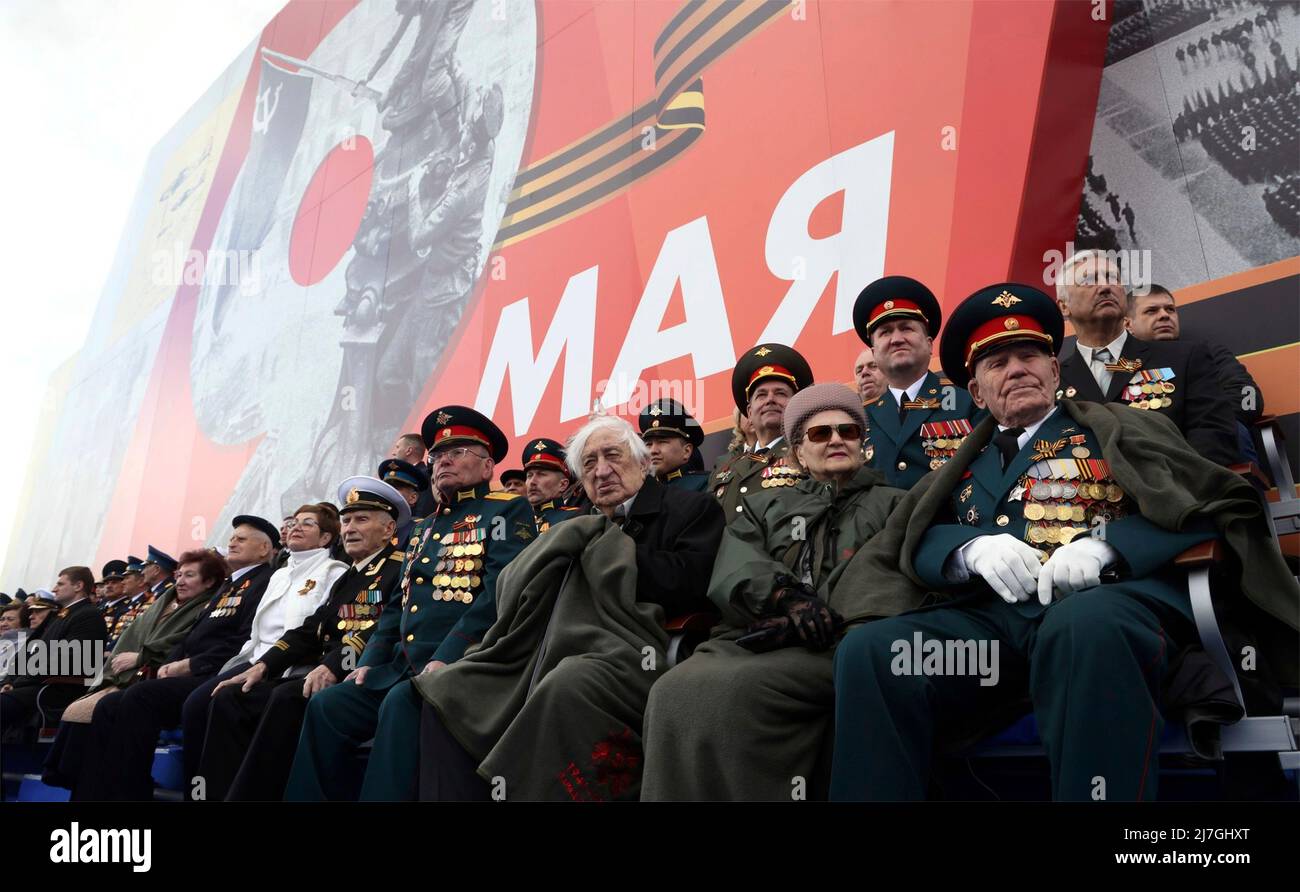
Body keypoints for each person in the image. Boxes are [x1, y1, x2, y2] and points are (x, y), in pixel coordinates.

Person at [828, 282, 1298, 801]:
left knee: (1083, 625)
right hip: (993, 632)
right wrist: (966, 552)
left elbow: (1211, 502)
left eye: (1030, 355)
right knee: (872, 651)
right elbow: (912, 533)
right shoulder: (960, 460)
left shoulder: (1121, 428)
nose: (1017, 369)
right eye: (997, 363)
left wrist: (1111, 547)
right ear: (977, 393)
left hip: (1111, 608)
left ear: (1055, 371)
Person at [413, 414, 725, 801]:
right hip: (546, 646)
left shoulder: (688, 507)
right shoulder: (576, 528)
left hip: (638, 652)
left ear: (643, 462)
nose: (602, 471)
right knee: (446, 688)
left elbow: (690, 583)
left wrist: (608, 548)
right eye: (589, 464)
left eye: (613, 455)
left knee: (566, 682)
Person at [641, 383, 905, 800]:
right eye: (820, 434)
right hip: (755, 634)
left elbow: (889, 575)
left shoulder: (894, 504)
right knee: (669, 692)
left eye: (847, 431)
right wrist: (784, 598)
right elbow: (736, 560)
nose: (836, 439)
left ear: (862, 443)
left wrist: (814, 618)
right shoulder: (768, 504)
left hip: (839, 644)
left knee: (726, 694)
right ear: (799, 452)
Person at [284, 405, 536, 801]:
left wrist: (451, 654)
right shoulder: (422, 530)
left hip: (468, 665)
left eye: (459, 452)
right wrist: (367, 662)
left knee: (401, 705)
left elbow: (497, 595)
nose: (444, 461)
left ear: (488, 466)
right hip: (401, 666)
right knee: (328, 707)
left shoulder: (506, 510)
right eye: (437, 455)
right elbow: (397, 608)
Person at [198, 477, 407, 801]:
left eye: (361, 519)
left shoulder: (399, 569)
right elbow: (311, 629)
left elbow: (382, 628)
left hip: (360, 671)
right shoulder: (352, 575)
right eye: (347, 520)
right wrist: (263, 666)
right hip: (321, 668)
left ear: (389, 529)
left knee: (286, 699)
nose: (349, 528)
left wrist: (332, 666)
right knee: (232, 697)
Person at [69, 520, 278, 800]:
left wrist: (189, 665)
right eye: (232, 538)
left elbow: (242, 641)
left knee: (140, 697)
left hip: (217, 672)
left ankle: (132, 792)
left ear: (264, 548)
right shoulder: (231, 585)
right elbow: (193, 636)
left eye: (242, 539)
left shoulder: (266, 582)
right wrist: (170, 663)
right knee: (109, 705)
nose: (232, 542)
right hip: (190, 672)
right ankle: (100, 793)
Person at [177, 504, 348, 793]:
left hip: (295, 663)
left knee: (223, 701)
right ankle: (201, 793)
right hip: (257, 658)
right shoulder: (279, 574)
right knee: (200, 702)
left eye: (308, 523)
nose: (296, 527)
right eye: (294, 522)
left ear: (325, 539)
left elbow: (314, 632)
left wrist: (268, 663)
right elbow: (256, 634)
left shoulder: (334, 571)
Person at [42, 549, 217, 790]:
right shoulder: (165, 600)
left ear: (208, 581)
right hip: (128, 672)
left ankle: (85, 779)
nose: (180, 581)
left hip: (153, 674)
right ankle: (73, 778)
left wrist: (141, 657)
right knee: (81, 707)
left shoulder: (206, 606)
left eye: (189, 576)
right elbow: (132, 634)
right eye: (179, 575)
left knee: (99, 708)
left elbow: (180, 642)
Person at [1056, 249, 1238, 465]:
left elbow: (1214, 435)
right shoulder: (1053, 381)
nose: (1105, 287)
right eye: (1088, 280)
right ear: (1064, 306)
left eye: (1112, 278)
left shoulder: (1185, 358)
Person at [853, 276, 984, 488]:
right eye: (885, 332)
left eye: (906, 328)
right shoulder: (860, 420)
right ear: (874, 353)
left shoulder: (968, 402)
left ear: (929, 344)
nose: (896, 339)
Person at [708, 343, 814, 519]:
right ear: (749, 412)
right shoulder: (726, 467)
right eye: (761, 395)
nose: (770, 400)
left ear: (797, 405)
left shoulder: (809, 454)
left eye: (780, 393)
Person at [0, 567, 106, 736]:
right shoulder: (59, 615)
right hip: (31, 684)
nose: (54, 589)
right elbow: (27, 653)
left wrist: (18, 683)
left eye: (60, 584)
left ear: (78, 585)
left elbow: (68, 661)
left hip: (55, 689)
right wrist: (9, 680)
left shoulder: (89, 615)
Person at [638, 398, 709, 491]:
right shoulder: (642, 492)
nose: (653, 450)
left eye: (662, 442)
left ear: (686, 451)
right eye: (648, 444)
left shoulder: (706, 484)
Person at [521, 437, 581, 531]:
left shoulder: (575, 518)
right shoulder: (517, 522)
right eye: (529, 475)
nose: (532, 482)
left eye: (541, 475)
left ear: (563, 485)